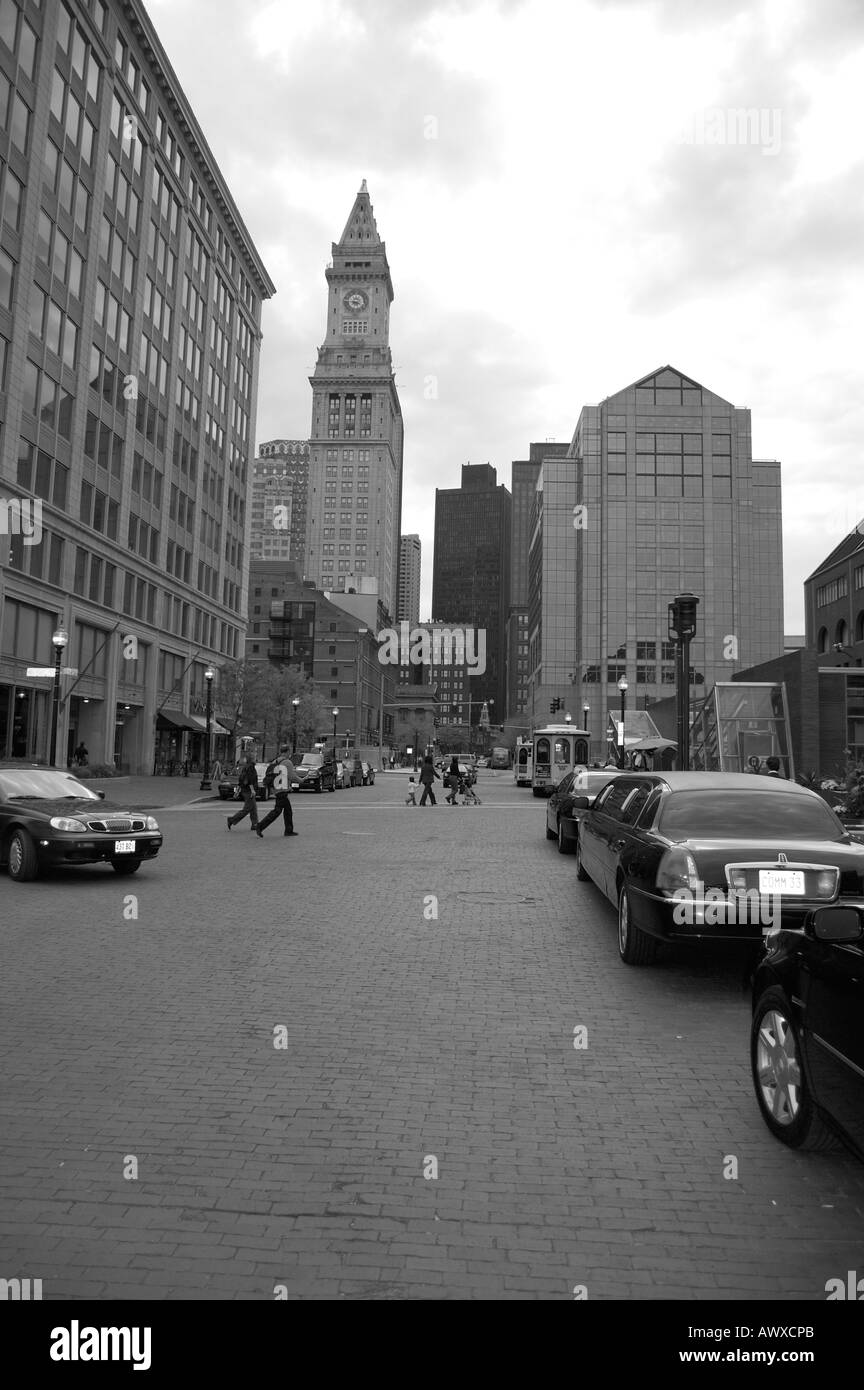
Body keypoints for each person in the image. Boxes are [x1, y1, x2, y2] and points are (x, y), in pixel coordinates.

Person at [257, 746, 297, 837]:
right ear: (287, 752)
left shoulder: (275, 761)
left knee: (288, 810)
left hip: (277, 789)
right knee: (277, 811)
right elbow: (291, 776)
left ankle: (289, 830)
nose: (289, 754)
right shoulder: (287, 762)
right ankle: (260, 826)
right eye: (289, 752)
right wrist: (302, 780)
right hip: (282, 790)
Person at [227, 754, 259, 831]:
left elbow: (241, 780)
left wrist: (237, 790)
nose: (256, 759)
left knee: (253, 808)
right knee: (247, 809)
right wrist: (252, 790)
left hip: (245, 790)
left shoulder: (245, 767)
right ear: (251, 760)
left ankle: (255, 824)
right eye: (255, 758)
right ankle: (232, 820)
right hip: (249, 790)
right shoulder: (251, 767)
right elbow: (250, 780)